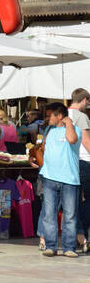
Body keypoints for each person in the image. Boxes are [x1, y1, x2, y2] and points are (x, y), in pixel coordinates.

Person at [38, 101, 81, 257]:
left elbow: (71, 140)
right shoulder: (49, 131)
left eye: (51, 116)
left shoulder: (75, 130)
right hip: (49, 178)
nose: (49, 119)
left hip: (69, 179)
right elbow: (42, 147)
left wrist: (68, 122)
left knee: (70, 215)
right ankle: (51, 246)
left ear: (60, 116)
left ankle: (69, 248)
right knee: (49, 214)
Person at [68, 88, 90, 249]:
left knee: (72, 203)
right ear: (84, 100)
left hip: (70, 163)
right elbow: (86, 141)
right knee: (86, 201)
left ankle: (76, 237)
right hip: (84, 161)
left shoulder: (62, 115)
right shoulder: (81, 116)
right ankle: (84, 237)